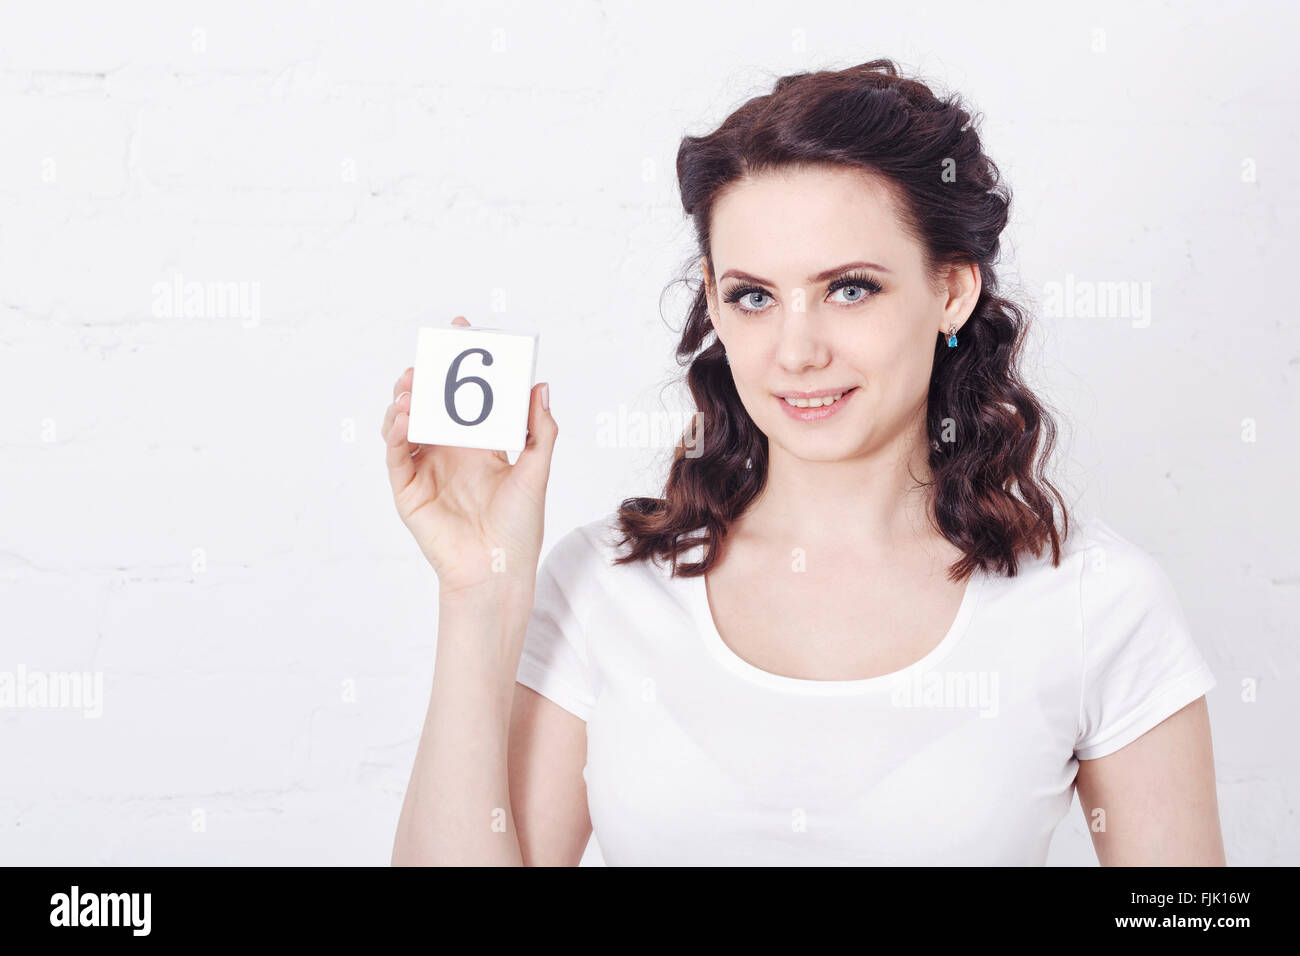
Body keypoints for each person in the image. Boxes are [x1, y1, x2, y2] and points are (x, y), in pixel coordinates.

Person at [385, 59, 1224, 866]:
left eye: (849, 288)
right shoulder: (604, 587)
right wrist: (477, 593)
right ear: (714, 300)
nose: (796, 351)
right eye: (754, 296)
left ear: (953, 291)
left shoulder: (1095, 601)